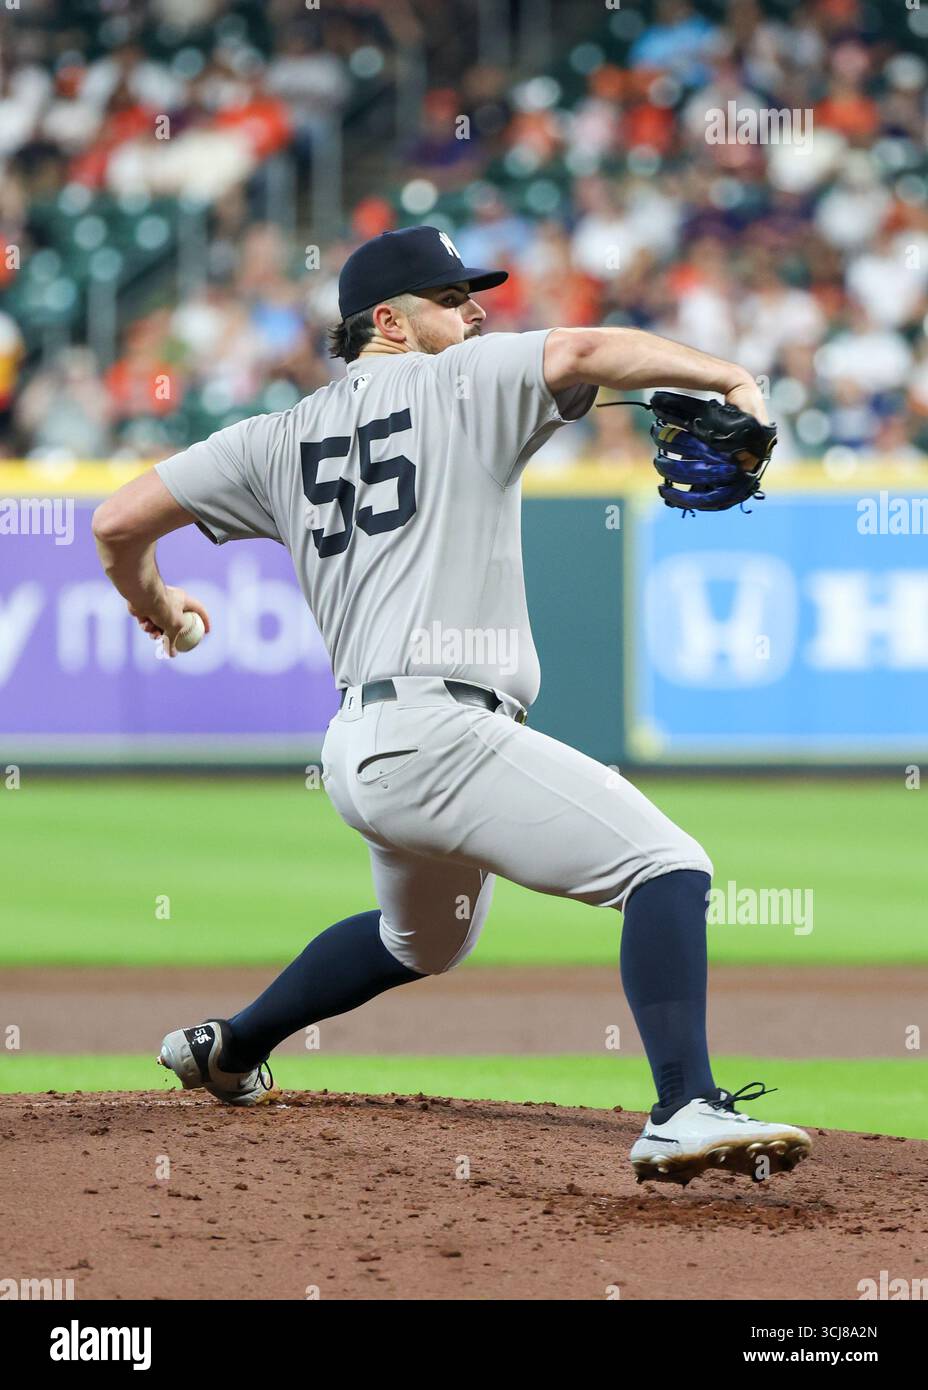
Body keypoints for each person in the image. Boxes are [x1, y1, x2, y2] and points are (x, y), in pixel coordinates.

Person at [92, 225, 811, 1186]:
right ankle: (682, 1106)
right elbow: (587, 350)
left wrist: (161, 606)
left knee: (419, 941)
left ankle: (226, 1049)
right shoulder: (463, 382)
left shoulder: (269, 438)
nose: (474, 312)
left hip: (361, 747)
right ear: (386, 321)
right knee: (667, 865)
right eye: (451, 297)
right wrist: (731, 378)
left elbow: (115, 522)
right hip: (439, 735)